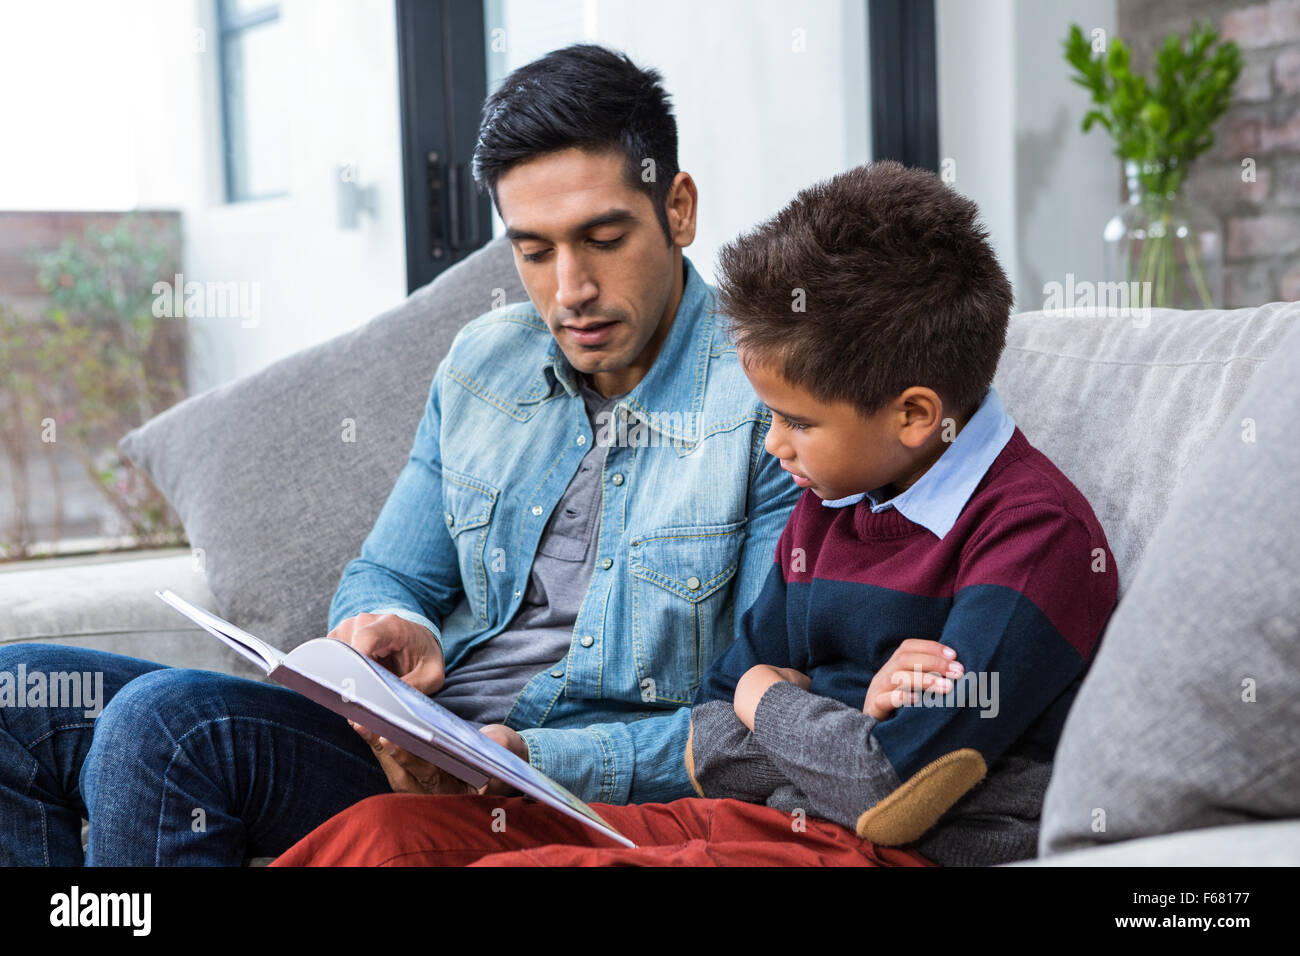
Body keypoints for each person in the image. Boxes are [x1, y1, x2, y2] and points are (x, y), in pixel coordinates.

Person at [0, 43, 800, 866]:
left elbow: (759, 718)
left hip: (546, 792)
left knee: (164, 727)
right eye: (533, 250)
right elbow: (390, 572)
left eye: (602, 238)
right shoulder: (486, 364)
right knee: (10, 695)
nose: (570, 289)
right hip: (407, 749)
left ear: (679, 209)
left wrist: (530, 757)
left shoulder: (773, 404)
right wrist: (391, 628)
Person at [270, 160, 1120, 867]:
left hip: (870, 855)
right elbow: (711, 729)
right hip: (742, 817)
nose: (774, 445)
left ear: (911, 414)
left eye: (796, 421)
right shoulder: (840, 496)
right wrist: (805, 712)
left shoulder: (1033, 540)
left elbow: (888, 792)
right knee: (382, 838)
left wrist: (768, 696)